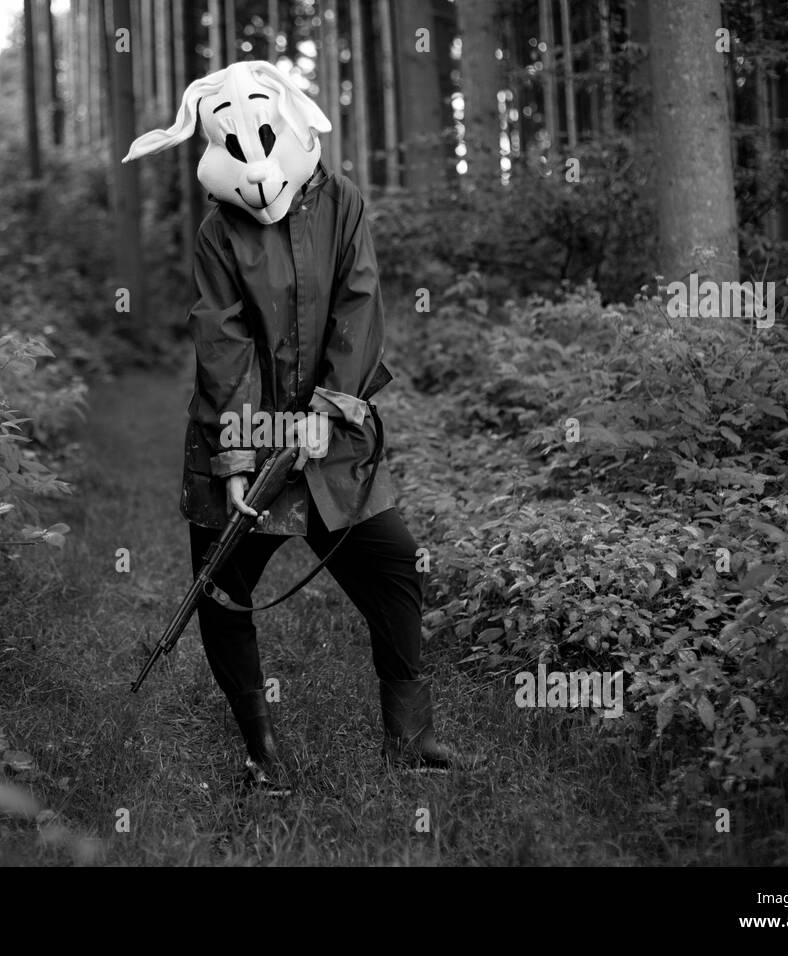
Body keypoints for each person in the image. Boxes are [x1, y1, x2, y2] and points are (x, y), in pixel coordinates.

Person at [123, 61, 469, 795]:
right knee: (221, 591)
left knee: (394, 561)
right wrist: (240, 456)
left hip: (335, 437)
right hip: (239, 435)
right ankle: (261, 754)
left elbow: (360, 305)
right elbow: (223, 342)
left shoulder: (343, 202)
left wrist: (331, 408)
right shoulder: (219, 233)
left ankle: (411, 738)